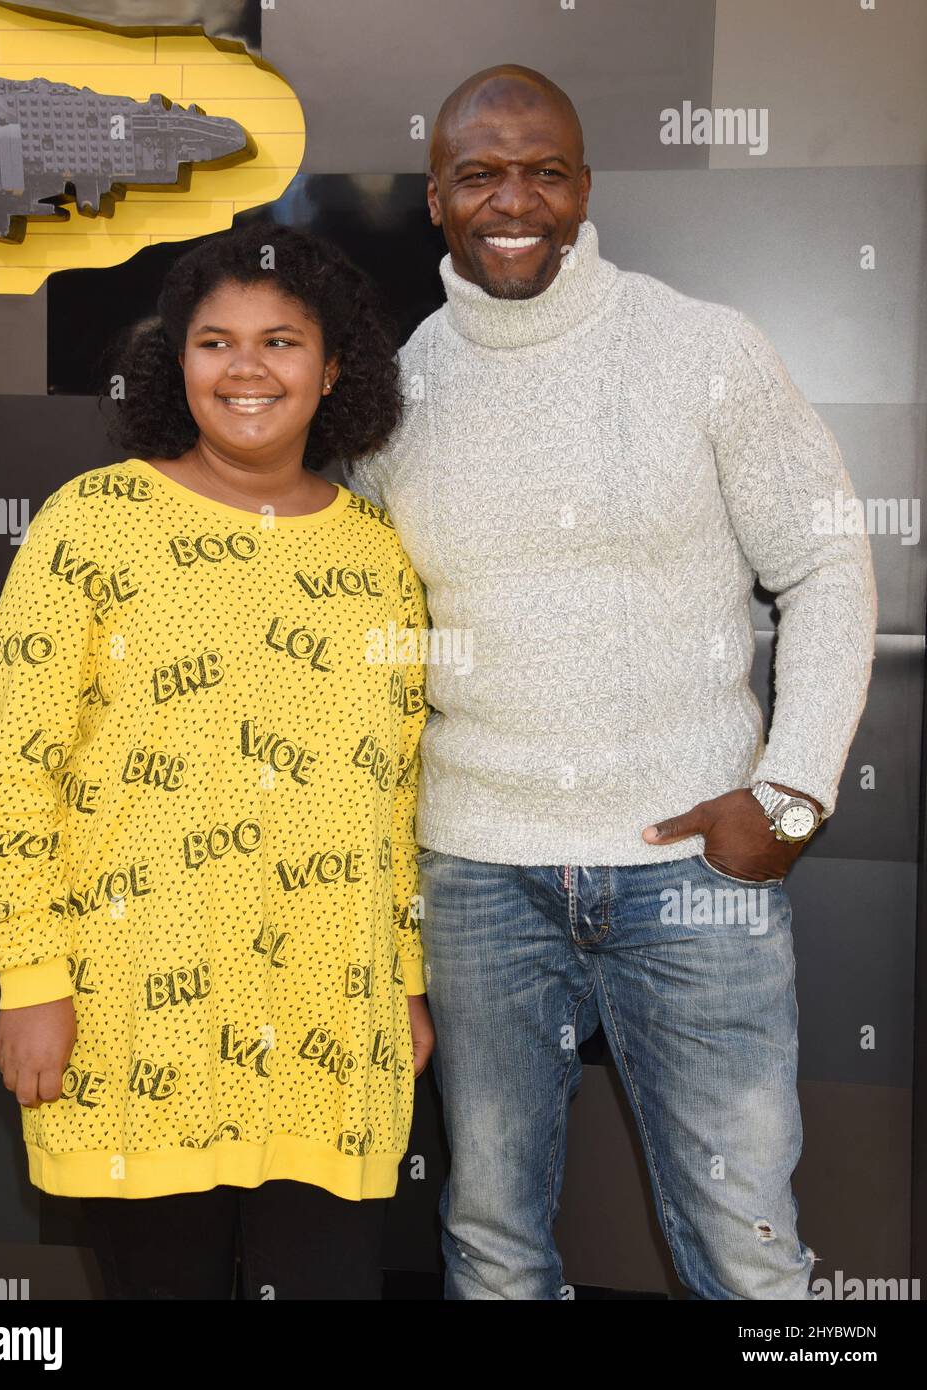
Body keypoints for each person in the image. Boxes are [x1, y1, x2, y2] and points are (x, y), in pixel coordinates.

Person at [349, 65, 877, 1300]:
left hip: (693, 869)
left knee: (750, 1253)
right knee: (489, 1243)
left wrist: (790, 793)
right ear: (436, 199)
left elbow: (826, 566)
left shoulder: (703, 346)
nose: (512, 199)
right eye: (480, 175)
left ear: (584, 188)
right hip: (474, 873)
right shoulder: (390, 393)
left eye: (542, 171)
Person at [0, 219, 435, 1300]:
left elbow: (393, 792)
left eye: (281, 340)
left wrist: (401, 981)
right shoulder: (90, 525)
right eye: (215, 341)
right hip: (134, 1021)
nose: (247, 368)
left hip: (329, 1020)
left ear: (333, 369)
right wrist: (32, 978)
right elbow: (14, 767)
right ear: (176, 364)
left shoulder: (377, 554)